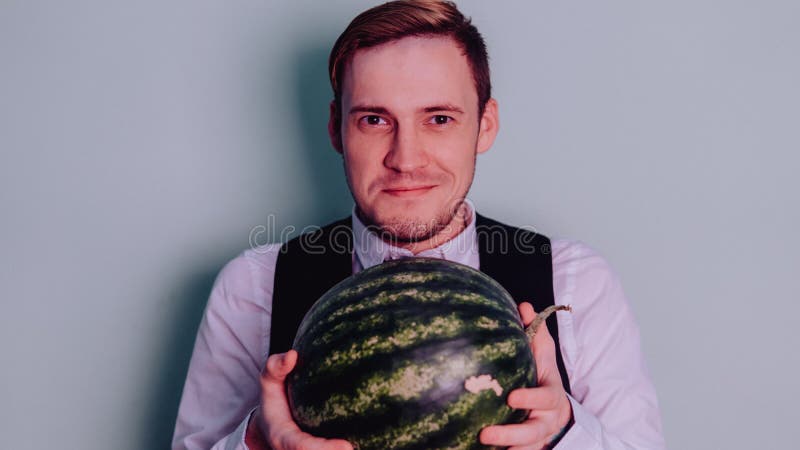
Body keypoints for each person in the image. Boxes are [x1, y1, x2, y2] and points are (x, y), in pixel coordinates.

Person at [172, 1, 666, 449]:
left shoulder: (575, 281)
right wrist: (258, 439)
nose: (405, 159)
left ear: (485, 124)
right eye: (374, 120)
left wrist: (563, 430)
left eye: (439, 119)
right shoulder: (253, 288)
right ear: (336, 129)